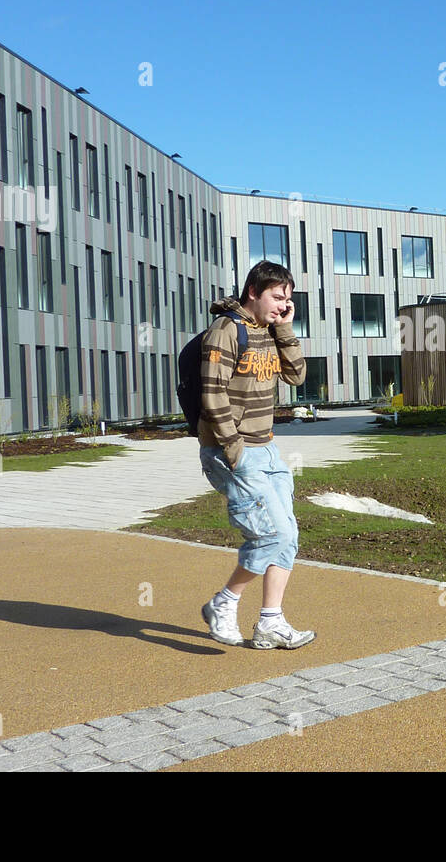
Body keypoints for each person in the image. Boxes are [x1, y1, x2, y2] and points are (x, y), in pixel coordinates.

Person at [197, 260, 314, 649]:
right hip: (233, 450)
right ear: (253, 293)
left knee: (288, 535)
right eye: (278, 298)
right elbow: (212, 396)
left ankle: (269, 623)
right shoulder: (225, 331)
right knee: (271, 533)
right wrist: (234, 452)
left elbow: (297, 376)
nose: (284, 305)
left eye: (288, 299)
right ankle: (224, 602)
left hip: (268, 449)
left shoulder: (269, 330)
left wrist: (284, 326)